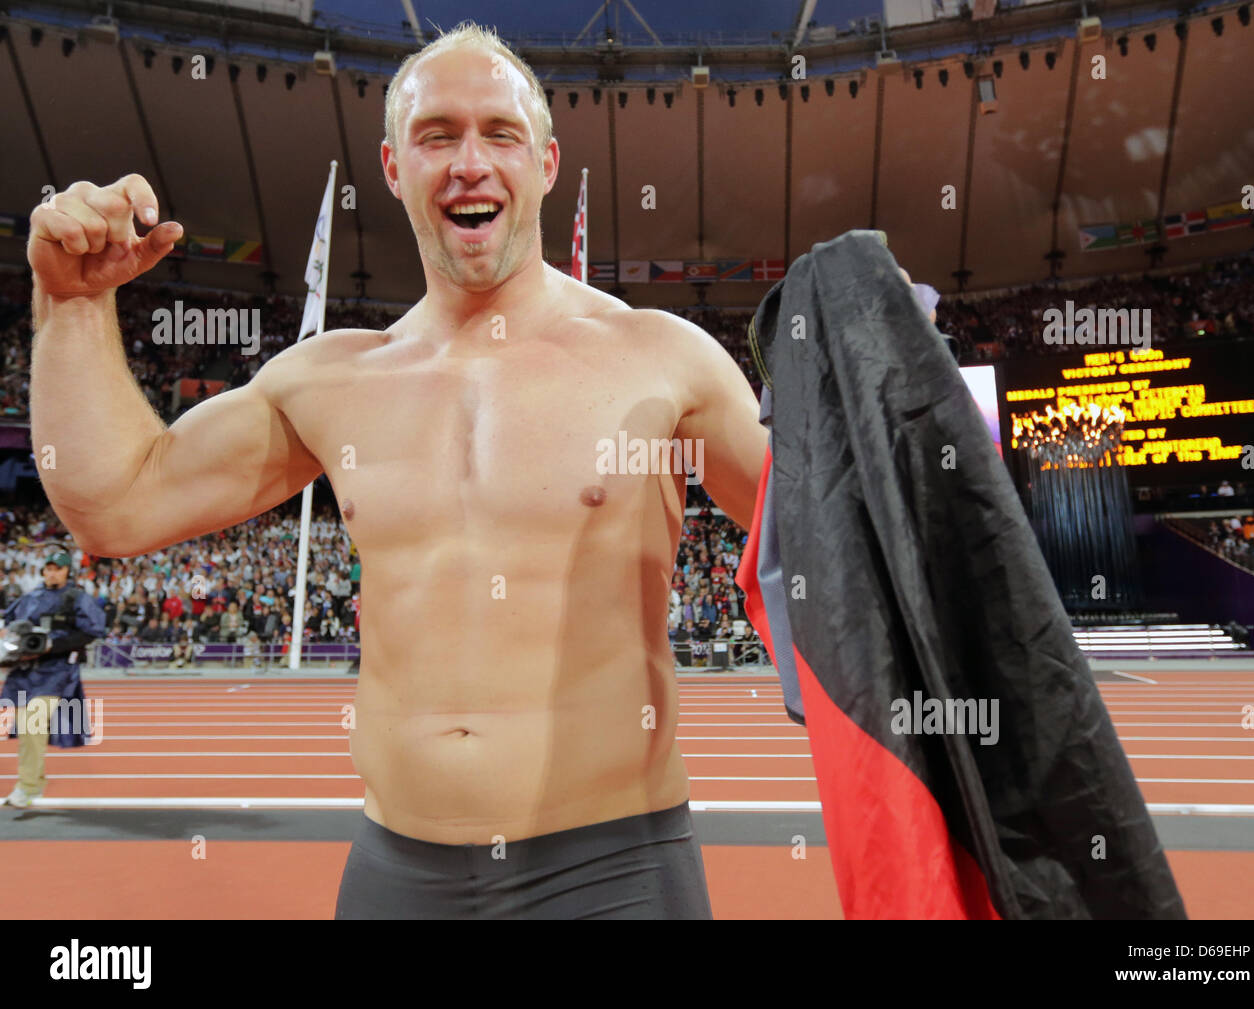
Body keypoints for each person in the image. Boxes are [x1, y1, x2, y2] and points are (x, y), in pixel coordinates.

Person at [28, 22, 916, 918]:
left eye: (500, 133)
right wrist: (72, 304)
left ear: (545, 162)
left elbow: (840, 547)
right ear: (392, 166)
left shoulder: (664, 361)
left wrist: (900, 407)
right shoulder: (328, 380)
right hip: (396, 874)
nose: (469, 161)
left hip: (614, 874)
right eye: (437, 134)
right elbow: (114, 505)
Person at [1, 551, 106, 807]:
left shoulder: (77, 598)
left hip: (57, 671)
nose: (52, 573)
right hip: (25, 670)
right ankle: (34, 782)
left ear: (67, 571)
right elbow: (8, 622)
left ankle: (26, 787)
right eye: (48, 568)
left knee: (33, 721)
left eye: (57, 569)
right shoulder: (30, 597)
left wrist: (53, 644)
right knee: (28, 728)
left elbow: (93, 630)